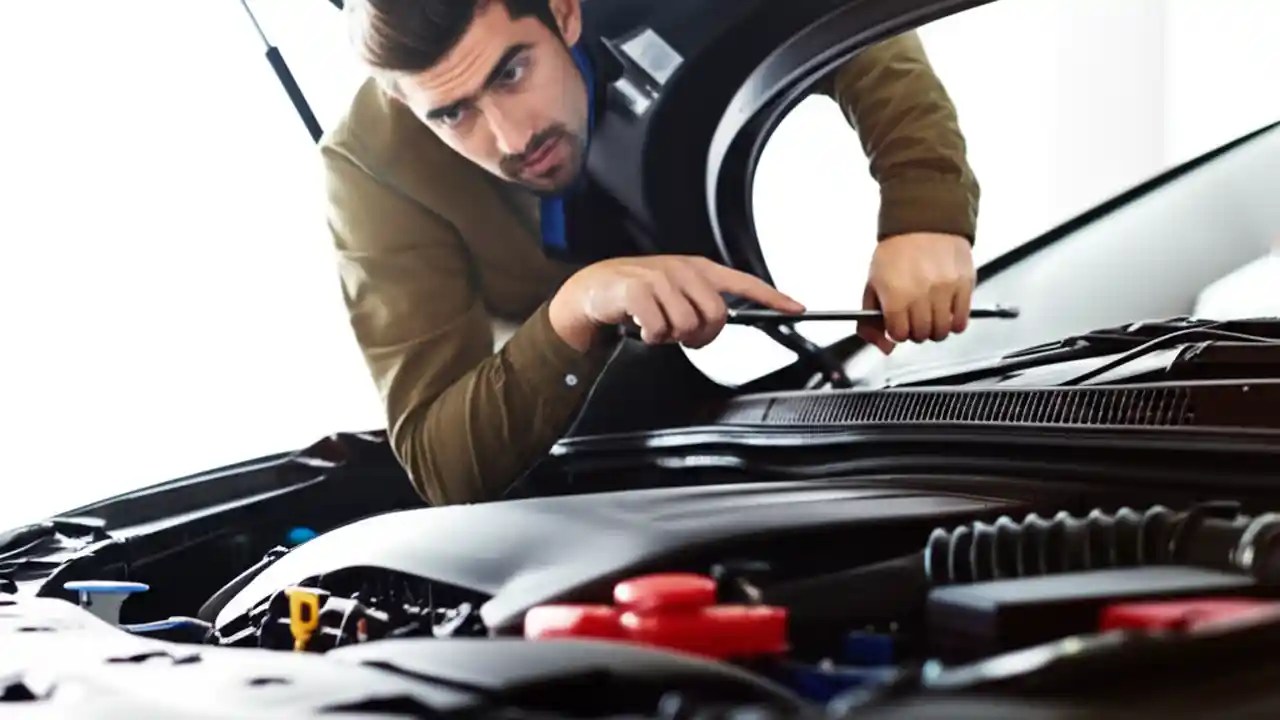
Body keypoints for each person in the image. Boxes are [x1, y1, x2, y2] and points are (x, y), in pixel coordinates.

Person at [322, 0, 981, 506]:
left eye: (513, 72)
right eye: (451, 115)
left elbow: (839, 17)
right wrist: (577, 306)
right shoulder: (369, 163)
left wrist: (925, 210)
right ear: (403, 103)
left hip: (821, 385)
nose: (511, 136)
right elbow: (443, 464)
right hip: (603, 447)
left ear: (564, 10)